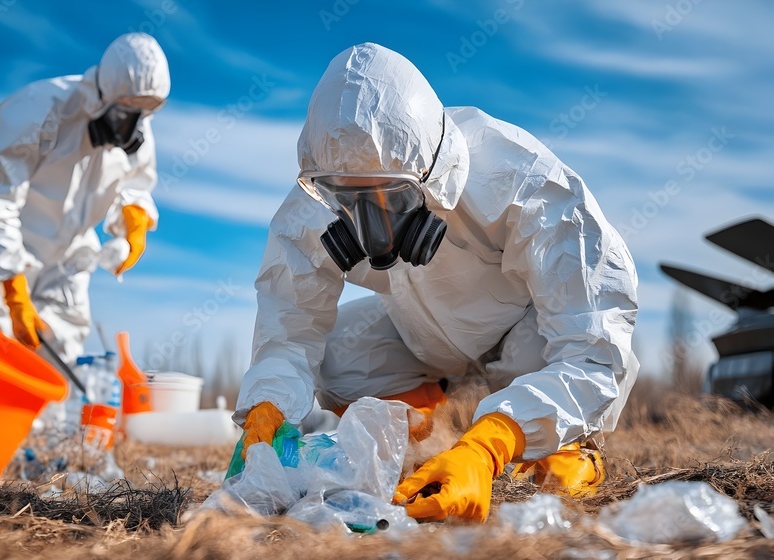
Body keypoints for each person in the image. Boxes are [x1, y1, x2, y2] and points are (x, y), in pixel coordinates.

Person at [232, 43, 639, 523]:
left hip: (524, 337)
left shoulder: (526, 184)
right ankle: (434, 434)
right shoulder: (314, 205)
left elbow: (592, 347)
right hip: (428, 343)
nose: (370, 229)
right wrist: (267, 410)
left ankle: (563, 447)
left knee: (547, 464)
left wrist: (489, 446)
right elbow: (290, 330)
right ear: (324, 185)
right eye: (348, 198)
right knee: (337, 358)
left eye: (392, 197)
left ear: (433, 175)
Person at [0, 33, 169, 363]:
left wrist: (134, 219)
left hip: (69, 249)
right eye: (126, 113)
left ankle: (47, 415)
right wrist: (12, 285)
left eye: (144, 114)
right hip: (0, 242)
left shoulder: (139, 128)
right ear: (102, 97)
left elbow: (135, 183)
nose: (133, 130)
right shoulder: (40, 109)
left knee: (60, 345)